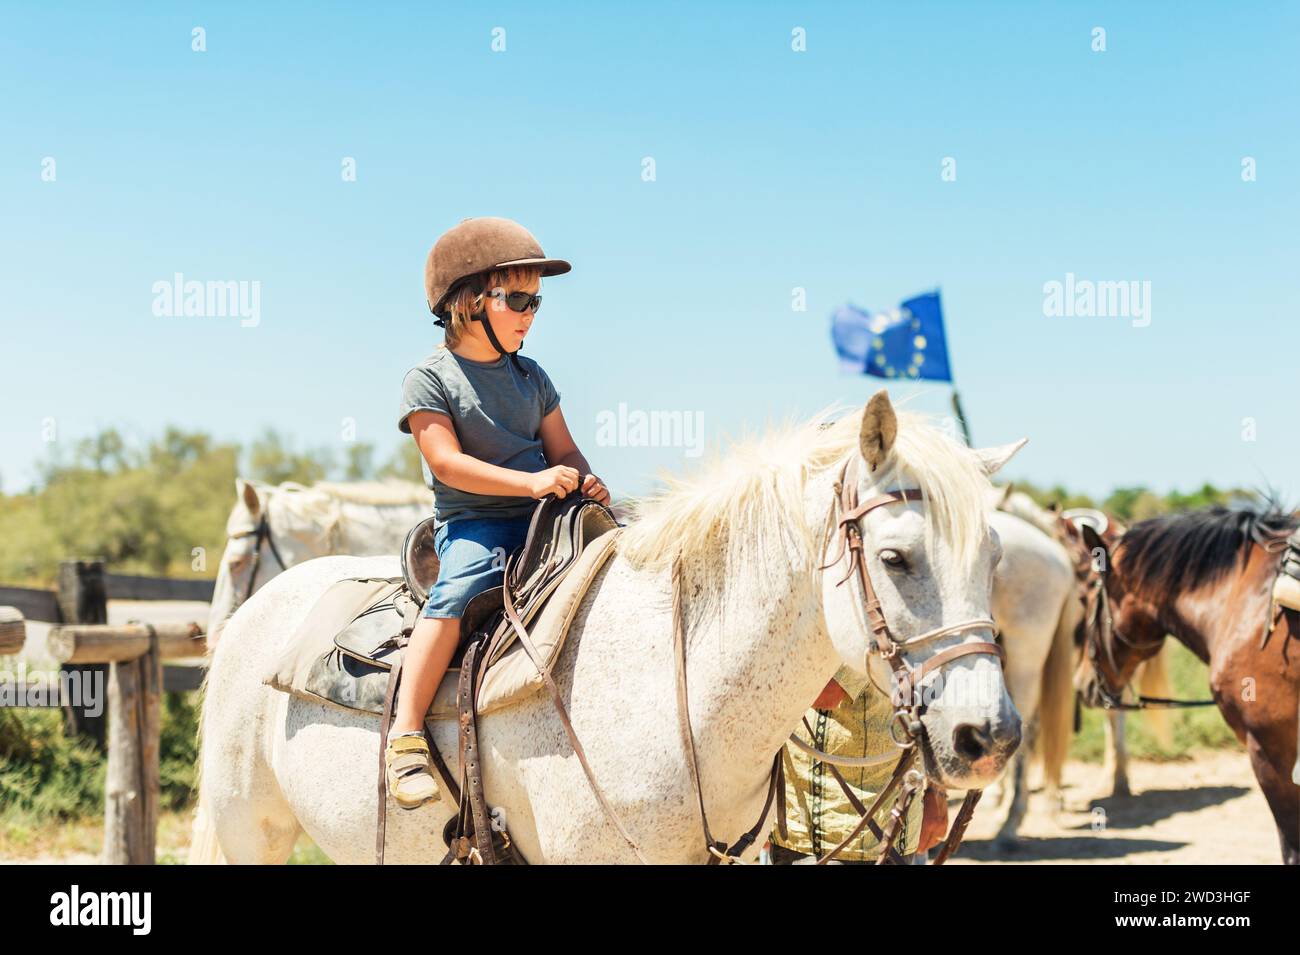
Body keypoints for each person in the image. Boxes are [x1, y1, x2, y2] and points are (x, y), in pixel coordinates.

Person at [386, 217, 611, 808]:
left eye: (535, 301)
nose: (530, 313)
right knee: (459, 589)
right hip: (478, 523)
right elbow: (446, 464)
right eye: (517, 299)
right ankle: (406, 735)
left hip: (549, 516)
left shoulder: (532, 377)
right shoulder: (430, 380)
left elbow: (563, 449)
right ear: (467, 302)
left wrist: (584, 478)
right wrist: (532, 482)